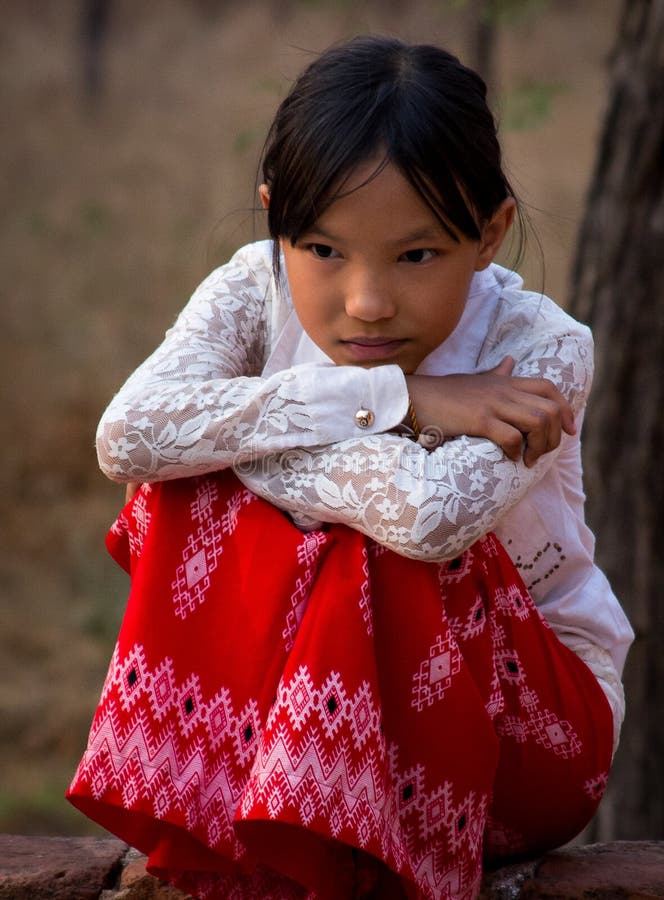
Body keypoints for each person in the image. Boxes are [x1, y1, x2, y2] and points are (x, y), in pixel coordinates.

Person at [68, 35, 634, 900]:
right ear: (274, 221)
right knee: (176, 476)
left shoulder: (542, 350)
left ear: (489, 234)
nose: (366, 301)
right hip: (304, 730)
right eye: (324, 251)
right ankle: (242, 828)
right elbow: (128, 436)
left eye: (416, 256)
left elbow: (428, 521)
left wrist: (236, 453)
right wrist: (397, 396)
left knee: (350, 531)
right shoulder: (250, 288)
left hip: (527, 740)